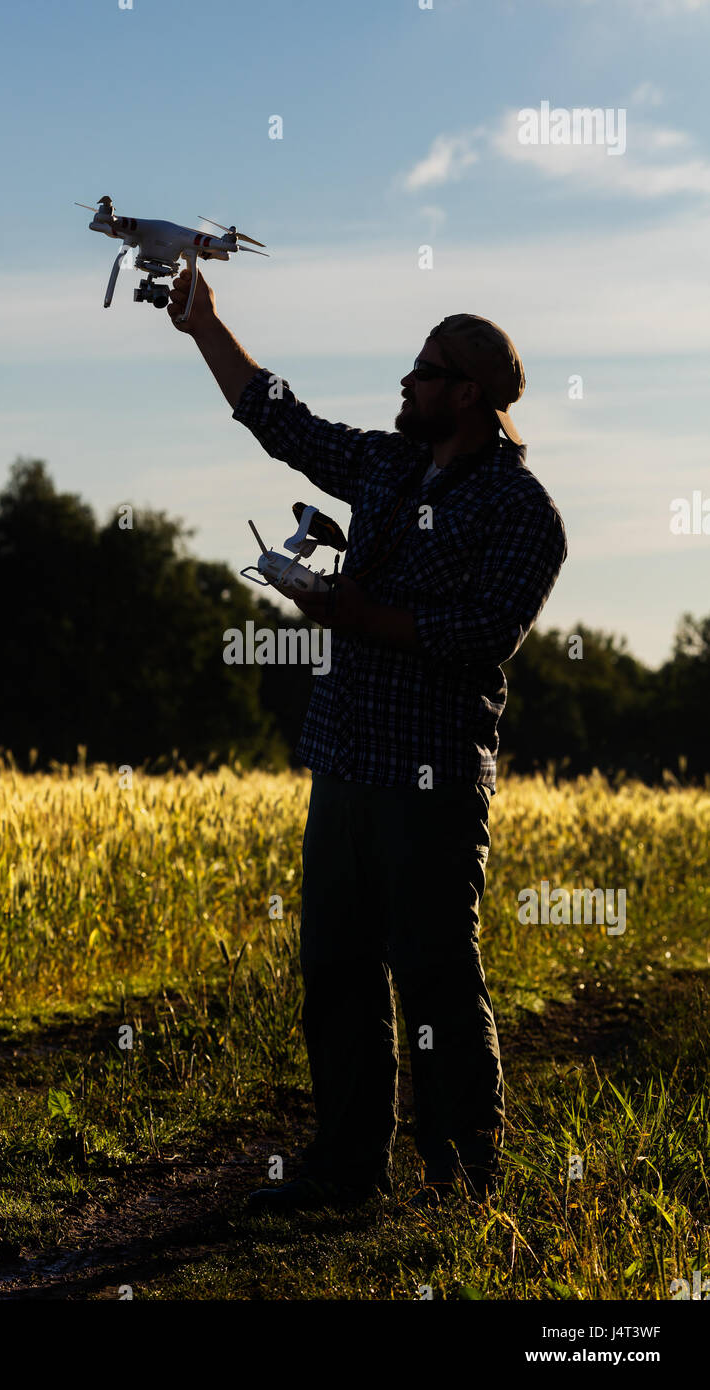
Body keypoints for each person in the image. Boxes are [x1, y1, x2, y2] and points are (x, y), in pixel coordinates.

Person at [167, 267, 568, 1212]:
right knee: (335, 973)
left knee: (435, 971)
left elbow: (481, 636)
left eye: (424, 372)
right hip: (343, 756)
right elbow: (283, 422)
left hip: (430, 780)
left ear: (468, 392)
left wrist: (354, 611)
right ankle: (346, 1168)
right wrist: (204, 326)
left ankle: (464, 1176)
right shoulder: (387, 465)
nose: (405, 383)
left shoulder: (523, 513)